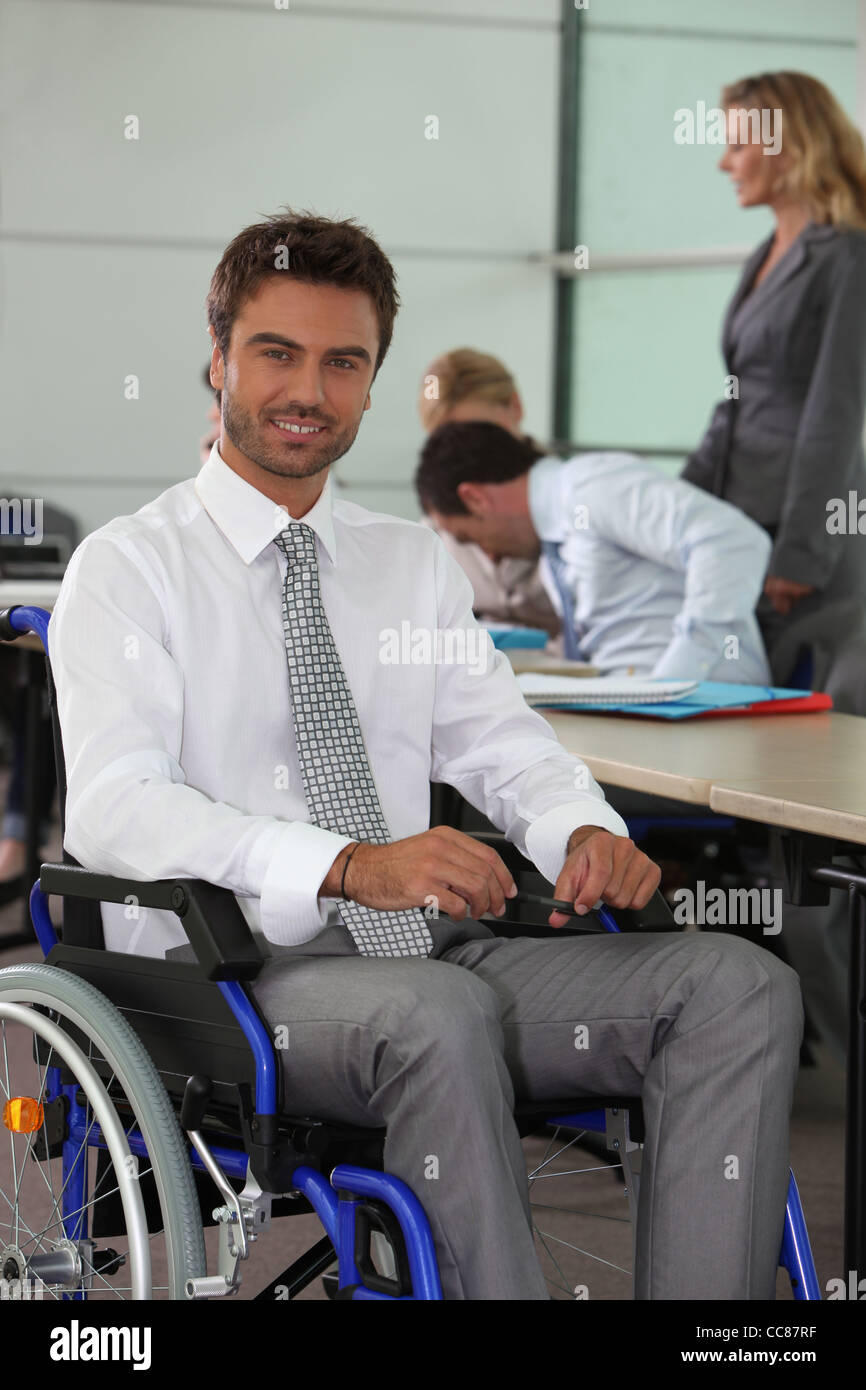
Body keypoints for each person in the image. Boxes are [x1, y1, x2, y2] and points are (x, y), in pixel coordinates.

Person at [49, 209, 802, 1299]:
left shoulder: (406, 562)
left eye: (342, 362)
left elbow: (500, 739)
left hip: (427, 960)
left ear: (371, 381)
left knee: (735, 983)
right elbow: (118, 809)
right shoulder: (130, 568)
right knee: (434, 1015)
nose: (308, 390)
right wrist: (347, 863)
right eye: (276, 353)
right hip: (228, 982)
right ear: (215, 360)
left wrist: (578, 825)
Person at [682, 71, 866, 669]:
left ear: (787, 149)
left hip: (802, 533)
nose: (723, 164)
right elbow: (737, 403)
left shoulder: (849, 256)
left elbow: (833, 414)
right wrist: (675, 504)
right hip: (742, 521)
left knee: (803, 737)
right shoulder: (768, 252)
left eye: (736, 145)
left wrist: (801, 552)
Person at [416, 421, 772, 684]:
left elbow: (732, 539)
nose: (489, 556)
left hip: (701, 702)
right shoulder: (554, 546)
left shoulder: (593, 487)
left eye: (470, 538)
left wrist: (674, 679)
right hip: (641, 706)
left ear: (475, 499)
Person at [418, 349, 561, 644]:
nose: (465, 453)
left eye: (480, 433)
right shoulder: (433, 530)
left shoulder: (571, 503)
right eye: (445, 442)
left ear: (515, 407)